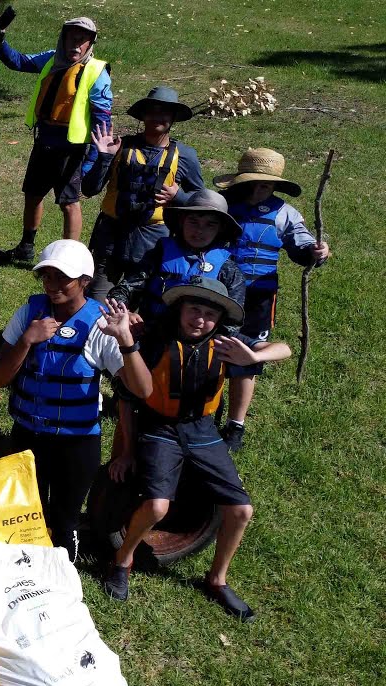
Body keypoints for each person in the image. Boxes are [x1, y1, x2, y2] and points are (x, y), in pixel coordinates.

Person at [103, 277, 291, 622]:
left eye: (209, 314)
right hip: (160, 428)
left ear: (219, 320)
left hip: (202, 431)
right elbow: (133, 397)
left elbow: (285, 349)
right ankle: (124, 559)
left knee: (241, 511)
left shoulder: (225, 344)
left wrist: (252, 355)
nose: (200, 319)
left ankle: (217, 579)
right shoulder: (156, 340)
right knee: (157, 506)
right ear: (180, 310)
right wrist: (127, 451)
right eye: (194, 310)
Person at [0, 240, 153, 562]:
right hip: (27, 435)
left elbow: (143, 389)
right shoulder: (29, 313)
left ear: (85, 281)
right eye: (46, 276)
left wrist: (126, 342)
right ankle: (29, 573)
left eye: (61, 277)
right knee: (27, 515)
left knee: (64, 521)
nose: (52, 286)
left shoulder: (99, 325)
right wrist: (27, 340)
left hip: (76, 444)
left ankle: (63, 572)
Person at [213, 148, 332, 451]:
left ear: (274, 186)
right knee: (211, 348)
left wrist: (316, 252)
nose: (257, 189)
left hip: (258, 297)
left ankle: (235, 426)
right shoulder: (223, 206)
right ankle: (207, 410)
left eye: (265, 184)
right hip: (218, 289)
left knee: (245, 353)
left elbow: (301, 244)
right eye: (251, 182)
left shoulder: (285, 214)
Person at [0, 16, 112, 259]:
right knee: (33, 195)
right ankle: (26, 247)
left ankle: (69, 257)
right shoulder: (51, 58)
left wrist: (91, 162)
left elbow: (103, 125)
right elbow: (19, 62)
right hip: (44, 141)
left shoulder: (97, 72)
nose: (76, 44)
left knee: (69, 203)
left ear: (90, 43)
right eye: (71, 37)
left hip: (72, 150)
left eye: (82, 39)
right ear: (63, 38)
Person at [84, 86, 205, 299]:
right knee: (96, 300)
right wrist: (104, 157)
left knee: (139, 305)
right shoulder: (118, 146)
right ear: (143, 115)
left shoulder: (186, 156)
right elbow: (89, 189)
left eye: (165, 112)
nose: (158, 116)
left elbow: (202, 202)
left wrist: (178, 197)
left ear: (173, 117)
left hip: (152, 245)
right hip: (110, 237)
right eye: (152, 111)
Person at [108, 189, 246, 325]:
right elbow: (125, 289)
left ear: (221, 228)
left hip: (199, 343)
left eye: (210, 224)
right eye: (193, 221)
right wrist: (124, 312)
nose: (199, 230)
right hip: (151, 334)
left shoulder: (229, 269)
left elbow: (232, 322)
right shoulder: (159, 255)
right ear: (181, 221)